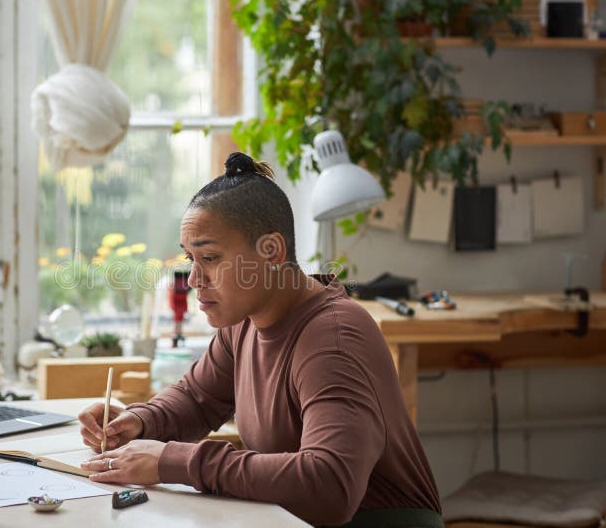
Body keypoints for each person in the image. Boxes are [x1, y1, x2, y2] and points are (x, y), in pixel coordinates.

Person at [79, 152, 442, 527]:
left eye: (210, 257)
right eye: (190, 258)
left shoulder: (334, 338)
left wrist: (172, 461)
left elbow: (330, 486)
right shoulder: (245, 321)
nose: (193, 280)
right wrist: (138, 422)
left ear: (271, 251)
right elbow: (197, 398)